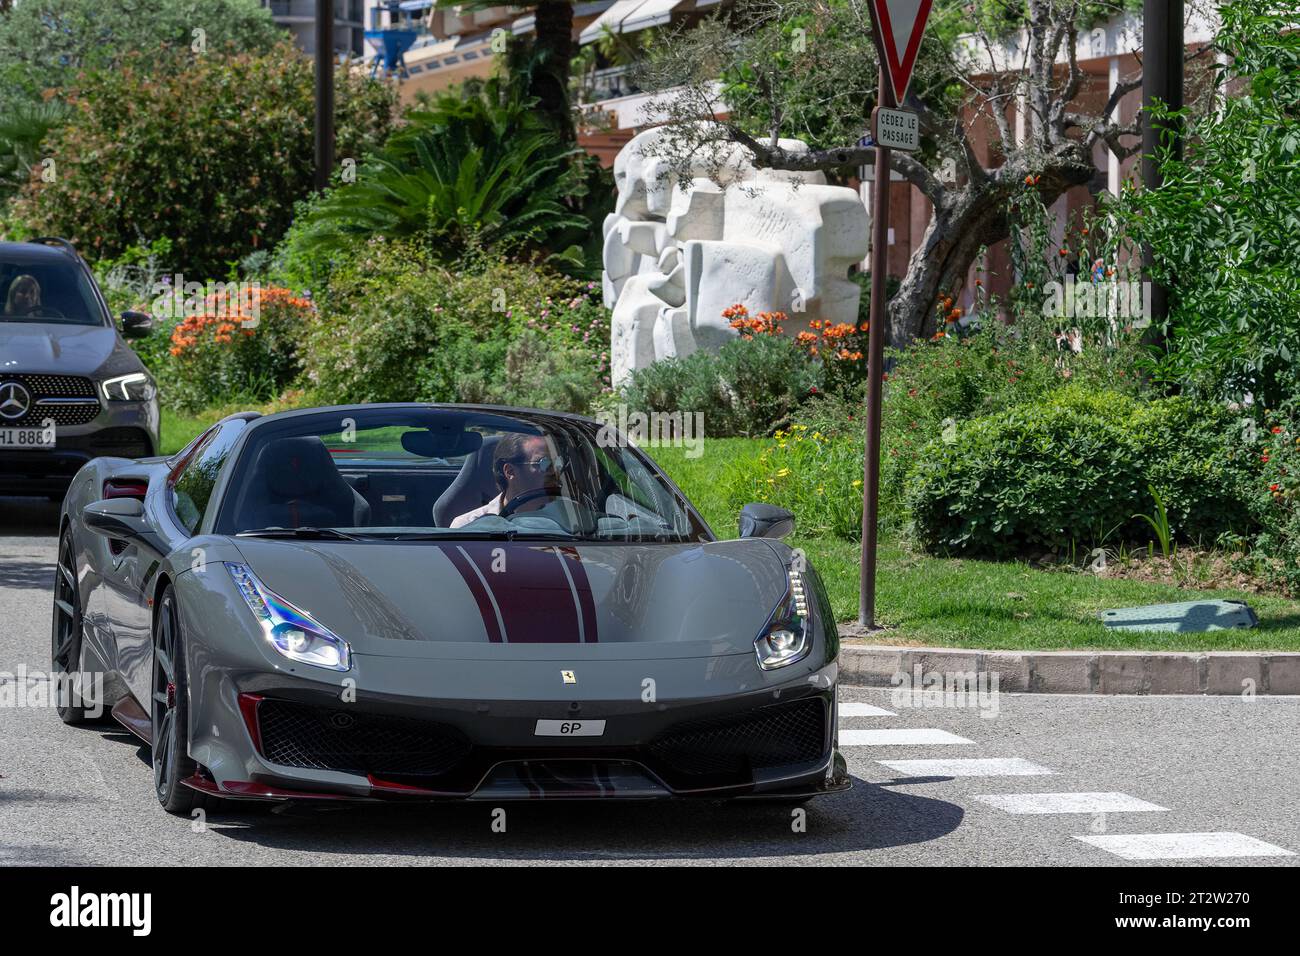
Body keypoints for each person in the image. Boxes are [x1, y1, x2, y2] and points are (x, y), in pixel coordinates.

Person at [450, 432, 565, 528]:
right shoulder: (469, 527)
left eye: (558, 463)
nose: (555, 471)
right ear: (510, 471)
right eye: (545, 463)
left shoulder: (574, 520)